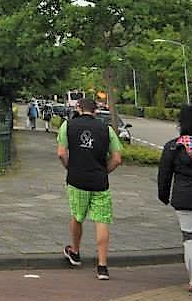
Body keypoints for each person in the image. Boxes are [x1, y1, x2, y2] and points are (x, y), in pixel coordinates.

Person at [57, 98, 123, 281]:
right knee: (102, 220)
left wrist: (69, 167)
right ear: (96, 111)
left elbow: (61, 153)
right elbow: (117, 159)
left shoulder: (67, 126)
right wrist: (104, 171)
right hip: (99, 181)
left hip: (76, 179)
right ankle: (102, 266)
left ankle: (75, 251)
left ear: (78, 108)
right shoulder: (107, 129)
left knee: (77, 216)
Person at [157, 104, 192, 295]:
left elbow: (164, 175)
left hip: (184, 199)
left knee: (191, 239)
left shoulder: (173, 147)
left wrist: (163, 195)